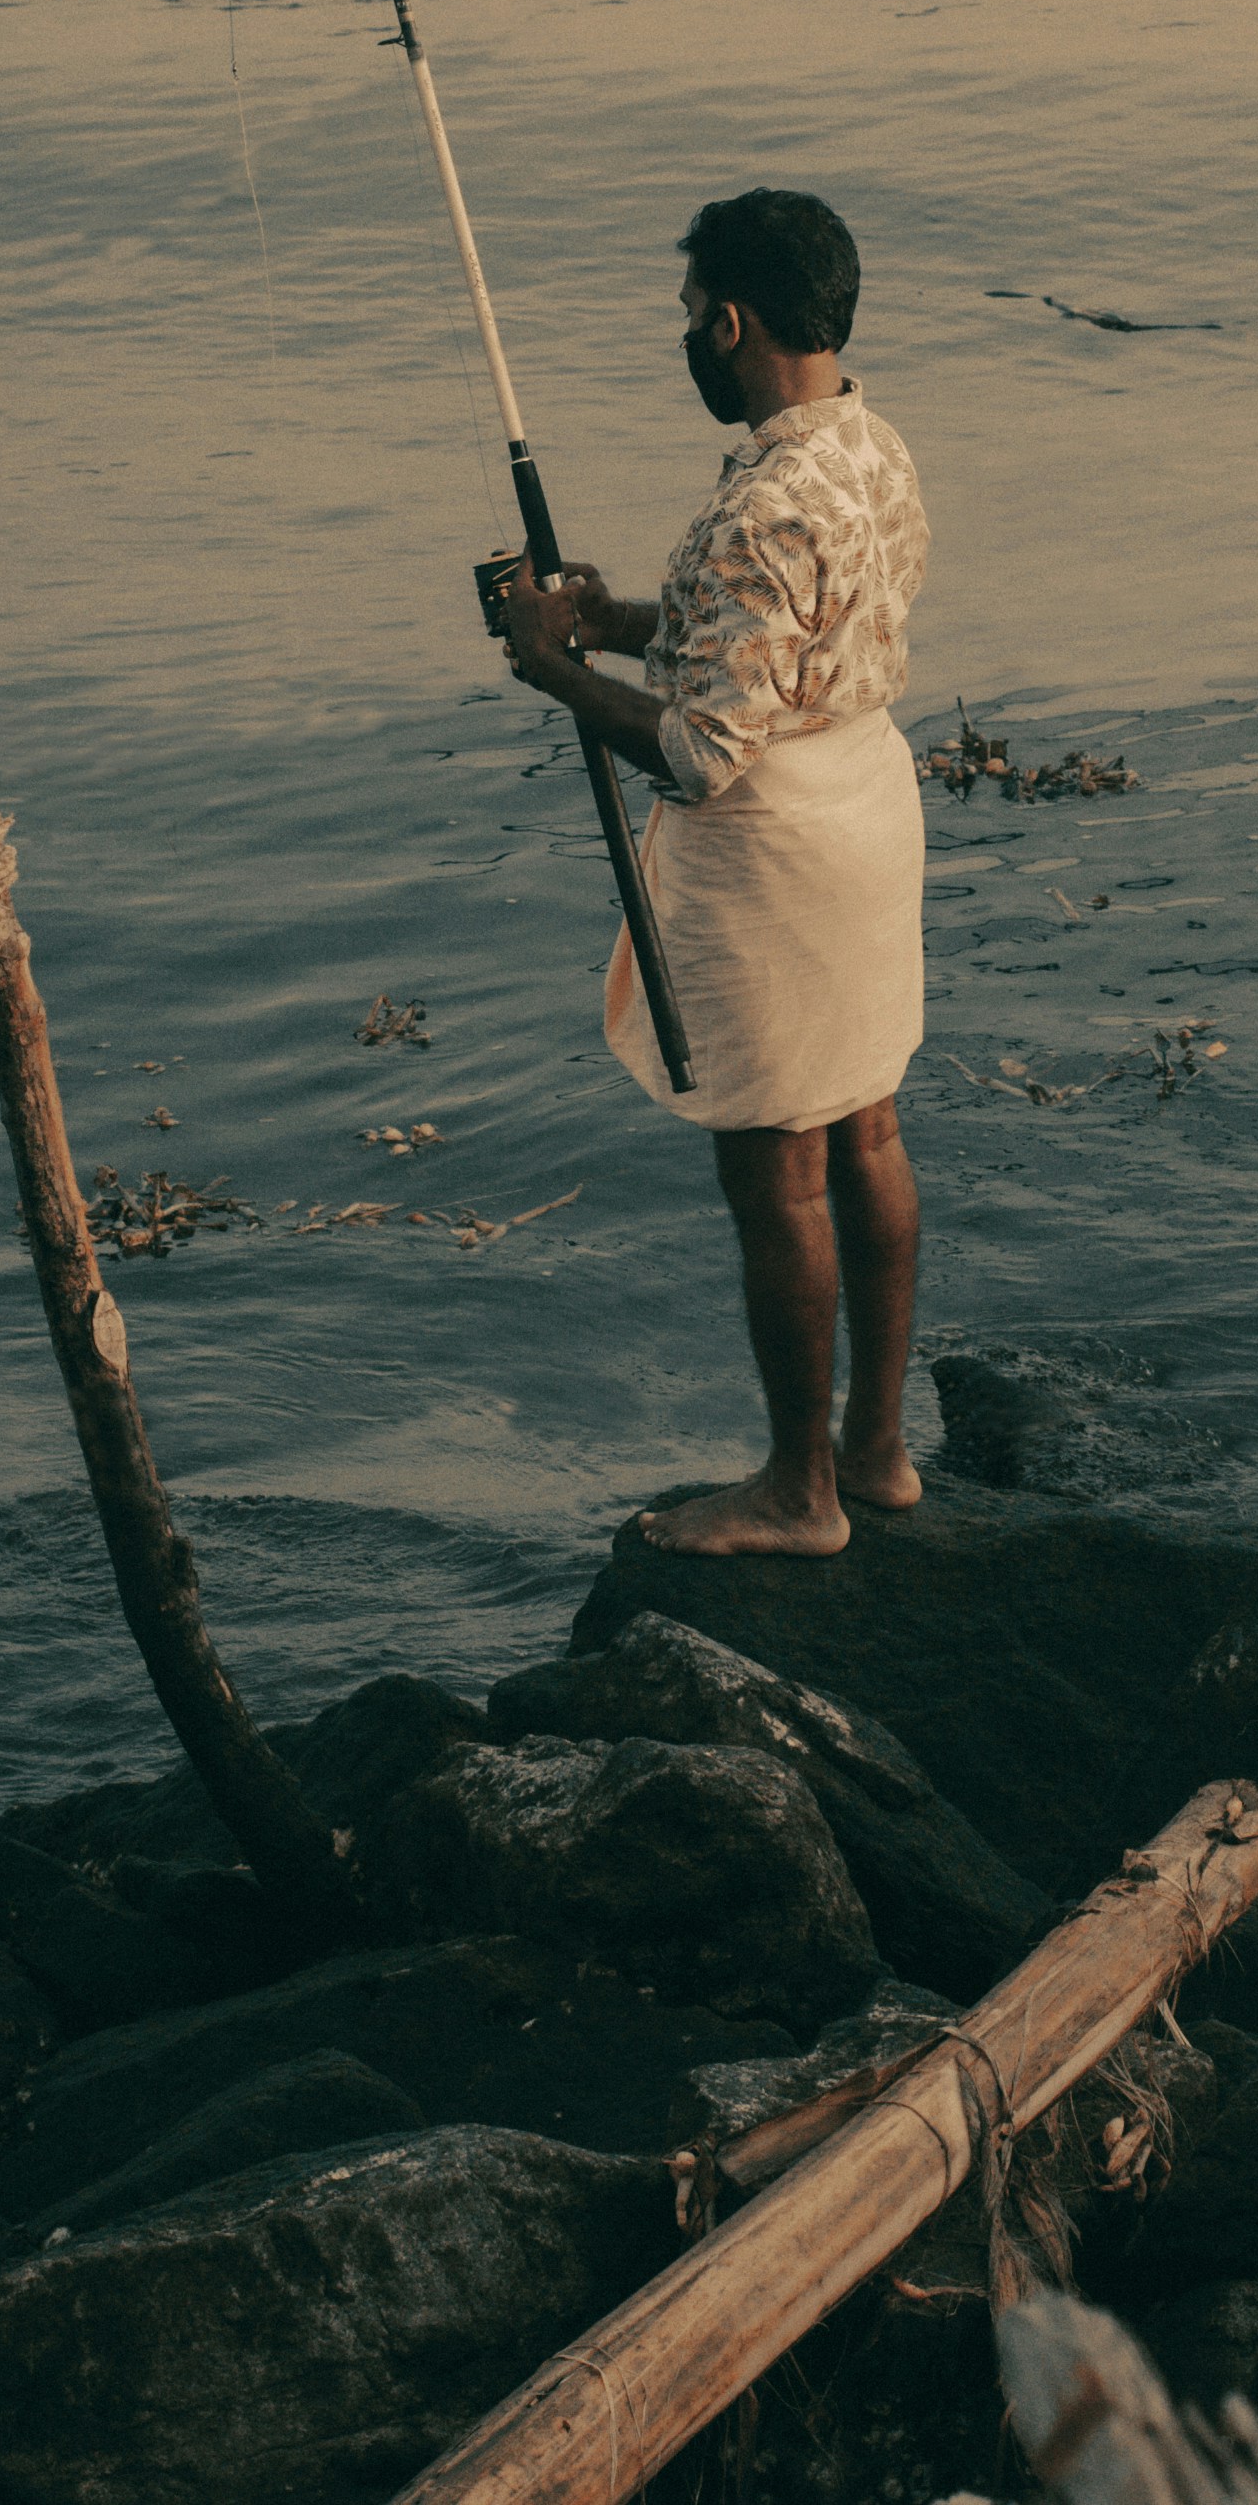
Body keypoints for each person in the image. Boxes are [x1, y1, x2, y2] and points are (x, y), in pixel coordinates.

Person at [498, 188, 930, 1558]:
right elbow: (776, 643)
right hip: (862, 795)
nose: (689, 340)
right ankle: (877, 1449)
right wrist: (615, 619)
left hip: (773, 859)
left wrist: (551, 669)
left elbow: (700, 754)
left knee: (779, 1174)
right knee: (867, 1130)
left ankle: (798, 1494)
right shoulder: (869, 448)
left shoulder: (761, 505)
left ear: (733, 322)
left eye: (693, 319)